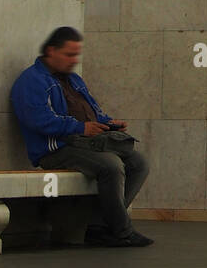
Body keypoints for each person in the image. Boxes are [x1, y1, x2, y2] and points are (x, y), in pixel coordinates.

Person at [10, 27, 152, 247]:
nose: (73, 60)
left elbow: (93, 111)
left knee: (138, 162)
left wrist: (108, 123)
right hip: (56, 149)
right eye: (69, 54)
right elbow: (37, 120)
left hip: (85, 144)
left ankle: (99, 226)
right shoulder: (32, 81)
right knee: (111, 165)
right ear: (51, 51)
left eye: (76, 55)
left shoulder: (74, 80)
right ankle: (122, 231)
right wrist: (79, 128)